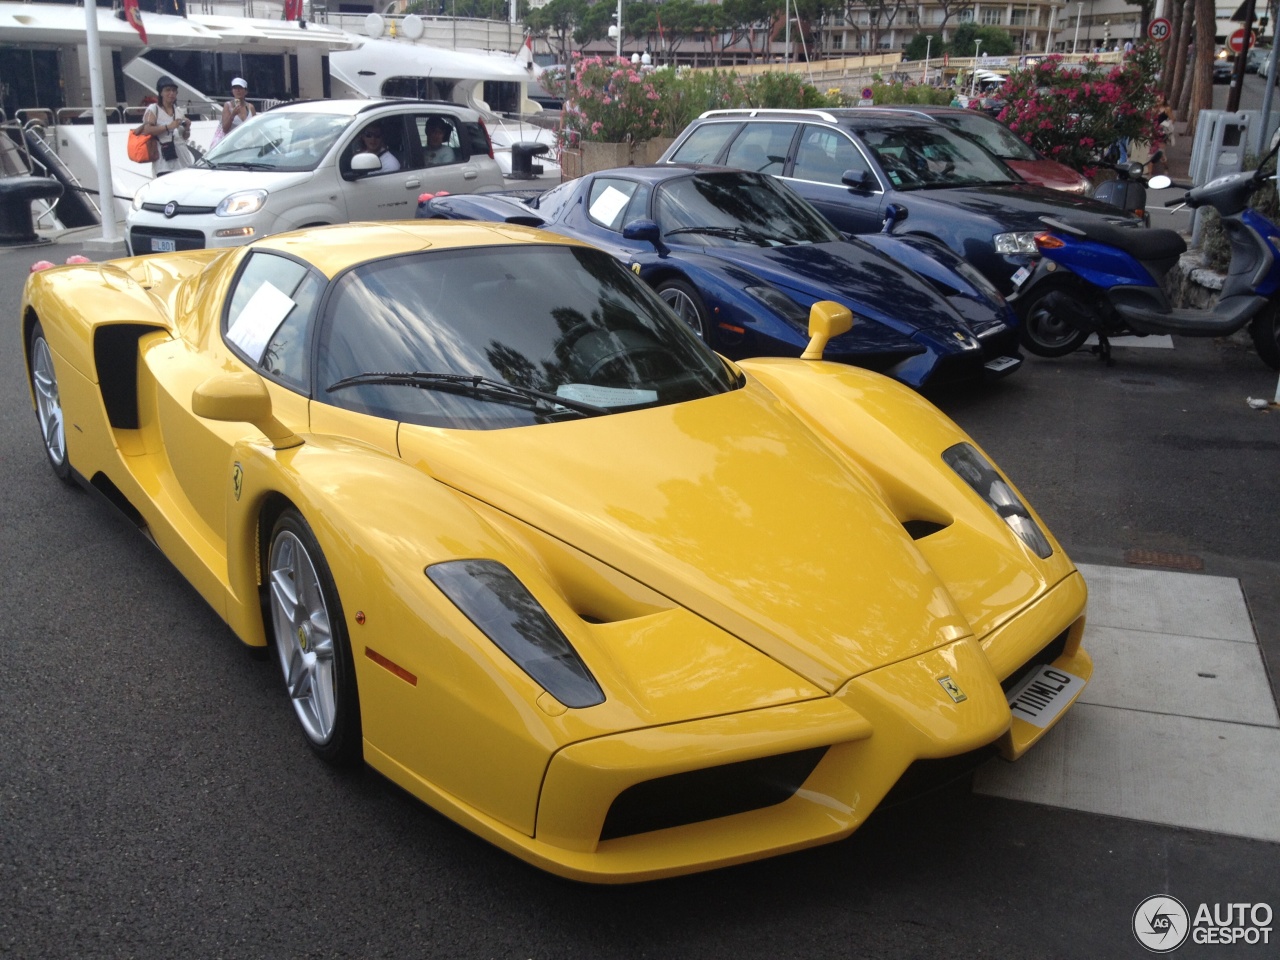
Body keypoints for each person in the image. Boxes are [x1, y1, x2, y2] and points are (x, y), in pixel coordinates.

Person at [141, 75, 190, 177]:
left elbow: (185, 137)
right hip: (164, 161)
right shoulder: (154, 109)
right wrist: (168, 127)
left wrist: (187, 128)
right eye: (167, 90)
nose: (171, 93)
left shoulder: (178, 111)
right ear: (161, 93)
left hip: (182, 158)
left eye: (173, 91)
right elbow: (147, 129)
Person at [212, 77, 255, 149]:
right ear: (232, 91)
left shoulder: (250, 107)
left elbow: (255, 128)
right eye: (235, 88)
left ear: (245, 91)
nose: (238, 90)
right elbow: (225, 129)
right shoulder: (228, 105)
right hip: (233, 146)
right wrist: (233, 115)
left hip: (248, 145)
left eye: (240, 88)